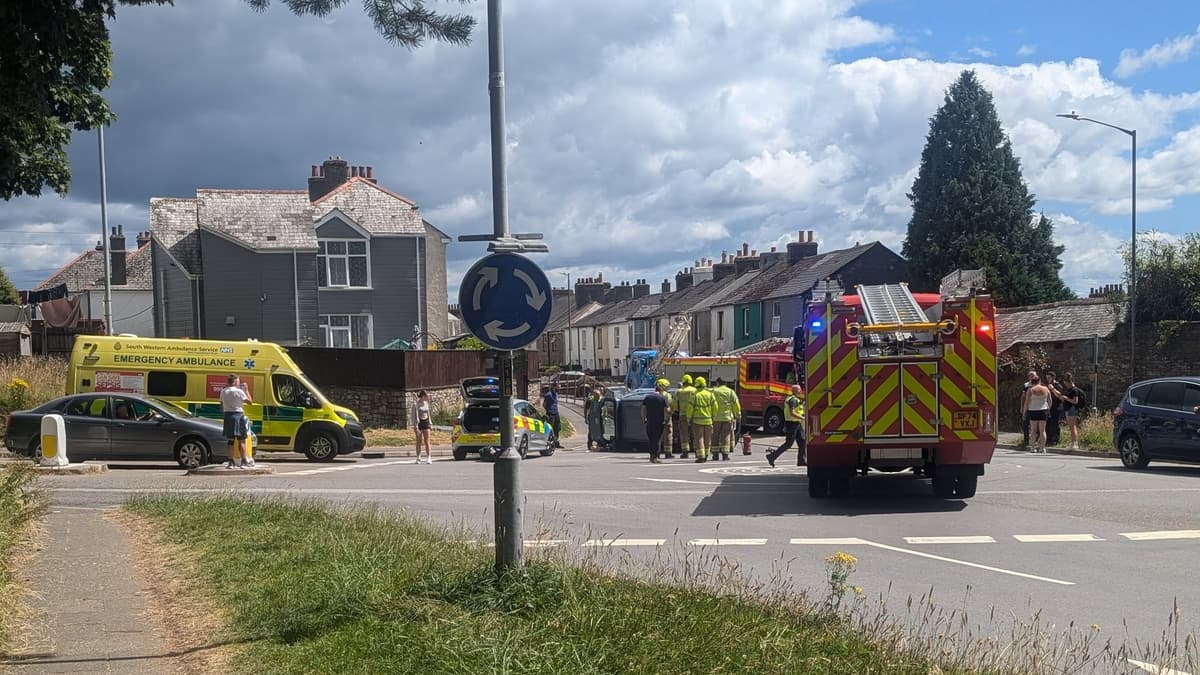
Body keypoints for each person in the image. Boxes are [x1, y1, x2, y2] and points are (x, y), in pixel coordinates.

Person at [766, 384, 806, 467]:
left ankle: (801, 460)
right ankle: (772, 456)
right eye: (799, 390)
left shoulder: (795, 399)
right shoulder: (793, 400)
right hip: (792, 424)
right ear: (794, 391)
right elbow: (792, 412)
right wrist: (803, 418)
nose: (800, 391)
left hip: (797, 423)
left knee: (802, 441)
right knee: (788, 444)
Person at [220, 374, 253, 468]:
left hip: (228, 416)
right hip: (238, 415)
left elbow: (221, 406)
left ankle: (231, 462)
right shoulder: (239, 391)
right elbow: (250, 402)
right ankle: (244, 461)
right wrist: (246, 390)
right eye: (238, 381)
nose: (239, 382)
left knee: (230, 441)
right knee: (241, 440)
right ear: (234, 382)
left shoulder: (223, 391)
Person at [687, 376, 718, 463]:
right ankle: (706, 455)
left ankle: (701, 456)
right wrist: (713, 416)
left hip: (697, 421)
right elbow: (715, 407)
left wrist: (688, 418)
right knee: (707, 439)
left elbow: (690, 408)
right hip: (708, 421)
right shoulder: (710, 394)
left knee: (699, 438)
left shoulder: (695, 395)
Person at [710, 377, 741, 461]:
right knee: (726, 436)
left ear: (717, 383)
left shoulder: (714, 391)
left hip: (716, 418)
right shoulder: (731, 392)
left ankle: (715, 455)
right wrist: (738, 415)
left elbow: (710, 403)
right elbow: (736, 404)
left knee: (715, 436)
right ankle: (725, 455)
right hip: (727, 418)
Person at [641, 381, 670, 463]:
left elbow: (643, 409)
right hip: (659, 422)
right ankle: (655, 457)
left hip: (650, 422)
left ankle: (651, 456)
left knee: (651, 439)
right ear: (660, 391)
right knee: (657, 439)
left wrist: (644, 419)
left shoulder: (648, 397)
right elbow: (667, 410)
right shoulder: (662, 398)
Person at [1022, 374, 1051, 453]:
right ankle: (1042, 447)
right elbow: (1050, 400)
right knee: (1042, 430)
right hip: (1043, 410)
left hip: (1033, 410)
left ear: (1031, 382)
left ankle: (1032, 447)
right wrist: (1048, 408)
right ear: (1040, 381)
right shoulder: (1045, 389)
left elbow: (1026, 402)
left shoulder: (1030, 390)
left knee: (1033, 430)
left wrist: (1024, 412)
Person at [1059, 372, 1084, 450]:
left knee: (1072, 426)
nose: (1065, 384)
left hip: (1071, 409)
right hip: (1068, 409)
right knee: (1071, 427)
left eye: (1065, 383)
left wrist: (1066, 398)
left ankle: (1075, 443)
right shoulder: (1069, 389)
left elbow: (1075, 401)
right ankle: (1073, 442)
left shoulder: (1074, 390)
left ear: (1068, 382)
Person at [674, 374, 697, 459]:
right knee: (695, 434)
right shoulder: (695, 391)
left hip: (683, 415)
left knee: (684, 434)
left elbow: (675, 404)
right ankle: (697, 451)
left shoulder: (679, 391)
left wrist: (676, 410)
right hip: (694, 415)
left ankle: (685, 452)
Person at [411, 390, 433, 464]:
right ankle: (418, 457)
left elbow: (428, 413)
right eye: (426, 396)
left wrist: (430, 423)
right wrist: (415, 425)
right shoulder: (416, 404)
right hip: (419, 423)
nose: (427, 397)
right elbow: (413, 416)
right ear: (423, 396)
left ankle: (429, 457)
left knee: (427, 441)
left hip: (426, 422)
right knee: (419, 441)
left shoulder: (426, 403)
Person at [656, 379, 675, 459]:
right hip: (666, 417)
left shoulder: (655, 395)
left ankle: (657, 452)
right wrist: (671, 412)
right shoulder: (667, 395)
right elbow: (671, 404)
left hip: (657, 418)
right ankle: (668, 453)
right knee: (668, 435)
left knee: (657, 436)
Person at [1045, 371, 1064, 447]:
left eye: (1049, 378)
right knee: (1048, 424)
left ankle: (1055, 440)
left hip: (1056, 407)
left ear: (1053, 377)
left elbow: (1060, 395)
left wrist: (1052, 389)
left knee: (1055, 423)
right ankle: (1048, 440)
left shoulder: (1058, 385)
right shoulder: (1047, 385)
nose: (1048, 379)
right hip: (1048, 407)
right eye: (1047, 378)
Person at [1020, 370, 1037, 449]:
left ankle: (1036, 440)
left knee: (1036, 425)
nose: (1031, 377)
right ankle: (1026, 440)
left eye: (1033, 375)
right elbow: (1023, 396)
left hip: (1036, 408)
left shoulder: (1039, 385)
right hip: (1027, 407)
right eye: (1030, 375)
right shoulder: (1026, 385)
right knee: (1025, 424)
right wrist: (1022, 407)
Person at [542, 383, 563, 448]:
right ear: (554, 387)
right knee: (550, 428)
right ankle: (549, 442)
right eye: (558, 387)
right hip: (550, 413)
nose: (559, 389)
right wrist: (548, 410)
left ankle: (556, 442)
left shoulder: (556, 394)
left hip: (556, 413)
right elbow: (544, 404)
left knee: (557, 428)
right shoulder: (548, 395)